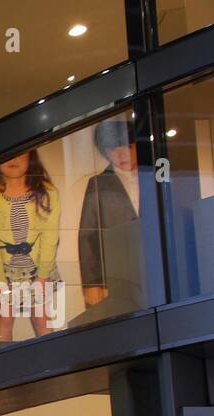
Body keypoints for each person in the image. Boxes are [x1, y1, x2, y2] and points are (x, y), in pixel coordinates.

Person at [0, 148, 62, 342]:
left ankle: (52, 359)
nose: (13, 159)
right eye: (6, 154)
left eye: (20, 153)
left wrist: (43, 276)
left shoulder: (47, 192)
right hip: (0, 267)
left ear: (31, 156)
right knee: (5, 317)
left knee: (41, 317)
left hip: (38, 267)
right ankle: (2, 359)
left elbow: (50, 237)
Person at [78, 119, 142, 315]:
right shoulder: (99, 184)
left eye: (128, 146)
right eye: (113, 149)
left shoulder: (154, 175)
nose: (121, 155)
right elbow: (87, 235)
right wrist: (92, 282)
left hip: (160, 265)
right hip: (120, 274)